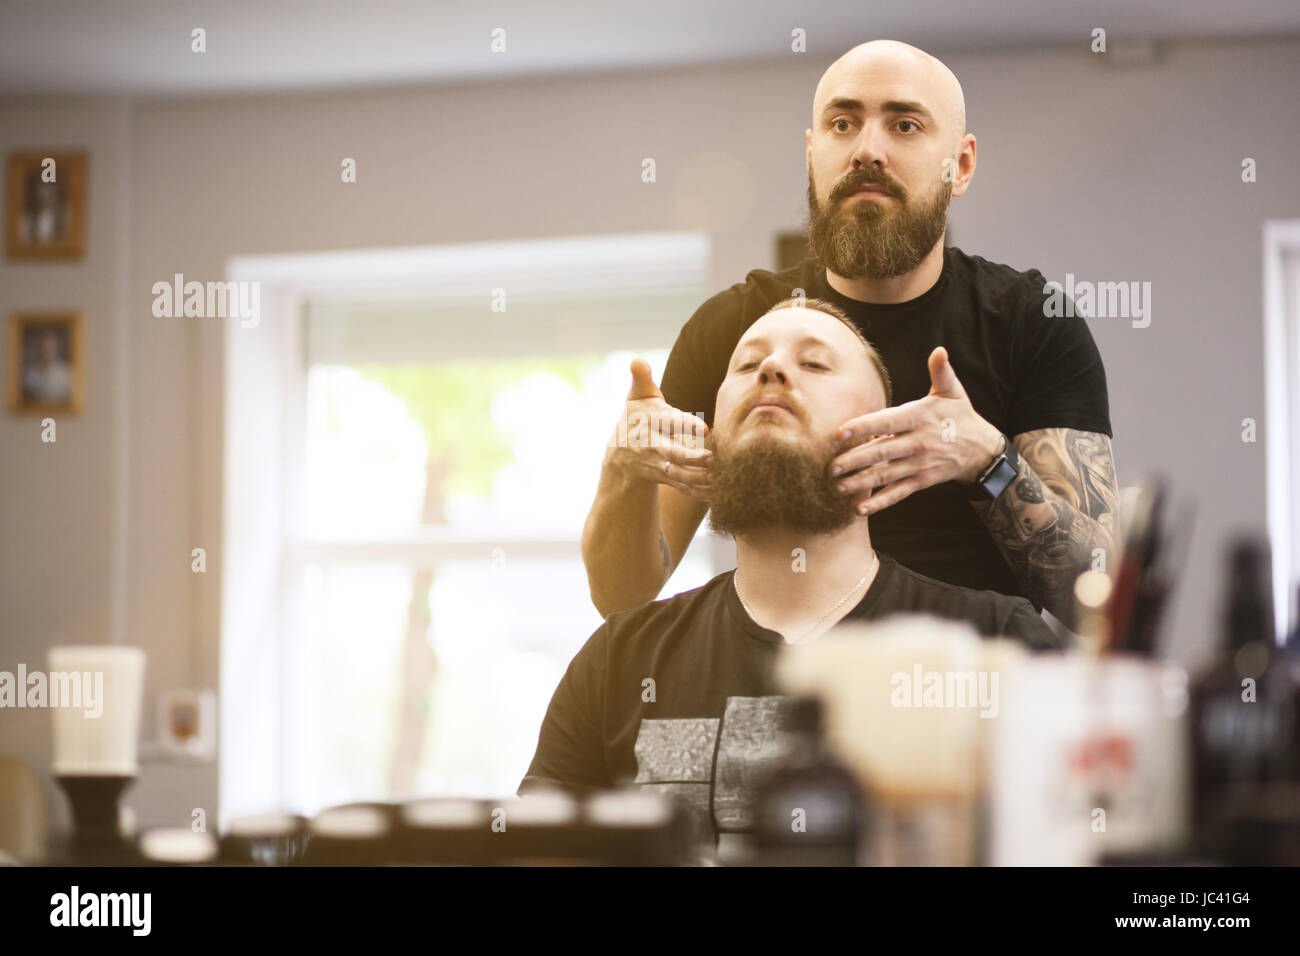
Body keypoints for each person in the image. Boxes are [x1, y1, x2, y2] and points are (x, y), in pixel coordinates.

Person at [582, 39, 1118, 630]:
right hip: (780, 687)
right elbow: (622, 599)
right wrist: (622, 470)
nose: (868, 150)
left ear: (959, 165)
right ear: (813, 153)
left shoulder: (1030, 323)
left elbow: (1104, 603)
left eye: (905, 124)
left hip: (973, 688)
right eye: (843, 123)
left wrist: (985, 459)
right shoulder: (740, 334)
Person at [521, 300, 1062, 847]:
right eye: (747, 363)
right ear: (712, 434)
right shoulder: (618, 661)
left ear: (883, 438)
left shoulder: (994, 641)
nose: (771, 370)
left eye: (815, 364)